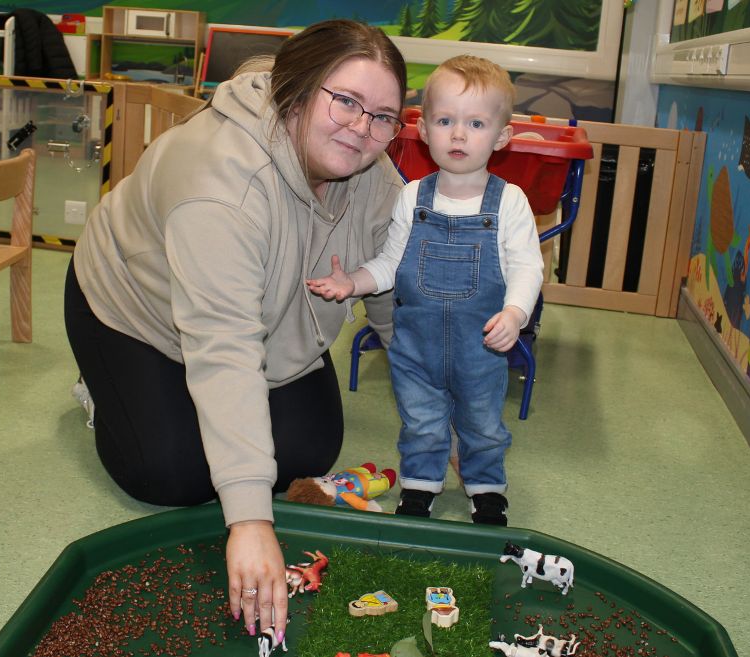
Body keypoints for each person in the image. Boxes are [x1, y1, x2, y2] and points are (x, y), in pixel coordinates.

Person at [64, 19, 407, 643]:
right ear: (298, 93)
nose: (362, 129)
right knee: (171, 476)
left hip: (268, 319)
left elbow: (389, 298)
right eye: (347, 101)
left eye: (384, 116)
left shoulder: (377, 179)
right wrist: (249, 524)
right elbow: (223, 346)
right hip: (137, 312)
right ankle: (102, 389)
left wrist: (437, 412)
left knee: (308, 452)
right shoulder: (219, 188)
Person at [306, 55, 544, 526]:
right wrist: (353, 282)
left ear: (500, 137)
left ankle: (486, 487)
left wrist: (515, 314)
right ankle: (420, 484)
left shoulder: (510, 201)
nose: (458, 135)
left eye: (475, 123)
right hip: (415, 346)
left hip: (482, 347)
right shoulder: (413, 196)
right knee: (420, 420)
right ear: (423, 131)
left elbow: (527, 267)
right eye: (445, 121)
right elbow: (392, 263)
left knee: (482, 424)